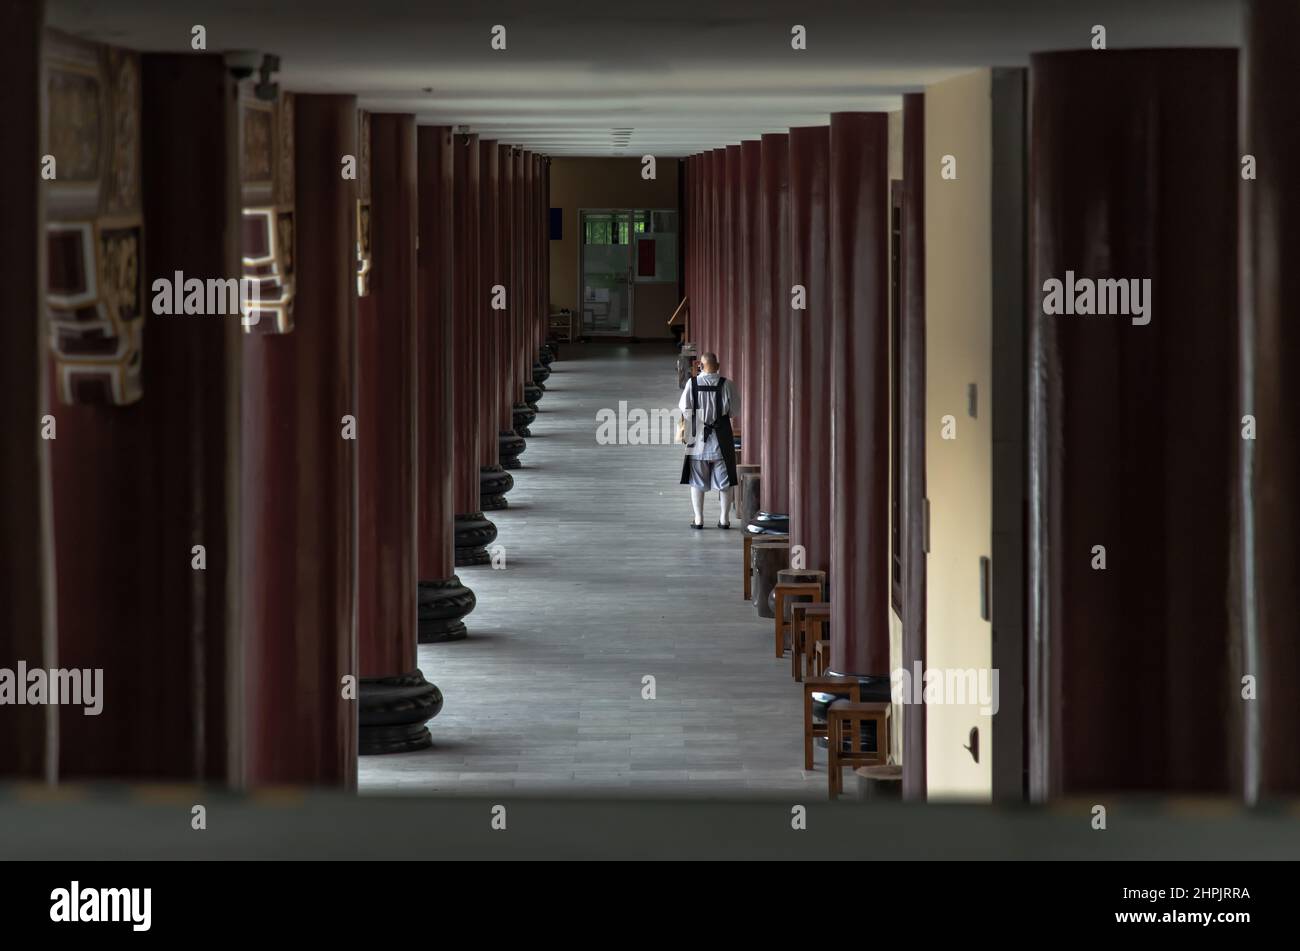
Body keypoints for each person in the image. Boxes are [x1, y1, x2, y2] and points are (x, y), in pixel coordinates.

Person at [678, 352, 739, 529]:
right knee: (725, 482)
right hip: (721, 439)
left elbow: (685, 408)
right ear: (718, 365)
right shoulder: (727, 384)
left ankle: (699, 519)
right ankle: (724, 519)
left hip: (698, 438)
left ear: (700, 366)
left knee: (696, 481)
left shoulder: (693, 383)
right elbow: (734, 411)